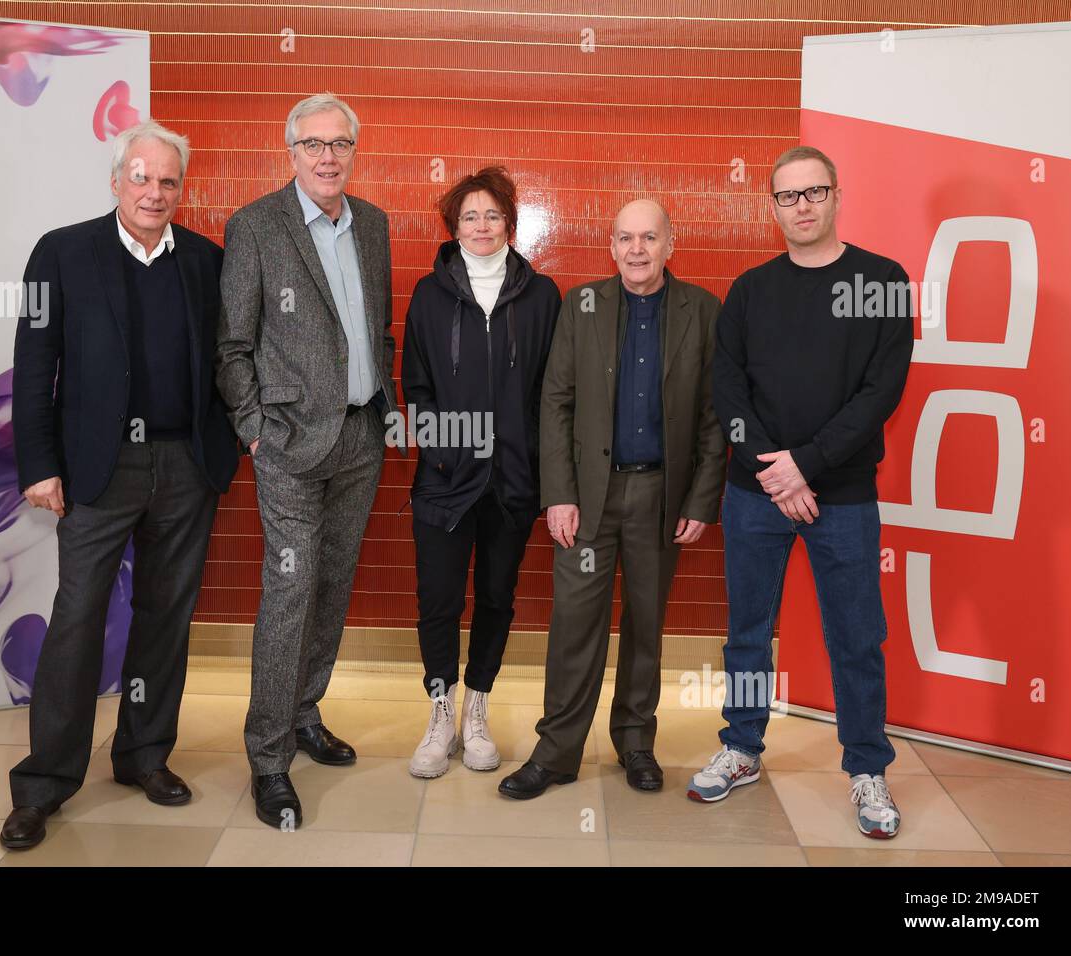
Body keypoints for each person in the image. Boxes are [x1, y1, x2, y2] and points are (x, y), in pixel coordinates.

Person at [4, 120, 239, 850]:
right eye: (141, 176)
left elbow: (228, 361)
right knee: (77, 619)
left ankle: (143, 756)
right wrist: (39, 465)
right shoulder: (62, 253)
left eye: (168, 180)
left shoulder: (207, 260)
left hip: (184, 467)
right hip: (95, 471)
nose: (154, 191)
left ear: (181, 188)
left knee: (166, 617)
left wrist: (223, 452)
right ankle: (44, 783)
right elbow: (33, 363)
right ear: (116, 181)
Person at [689, 146, 913, 840]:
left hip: (841, 495)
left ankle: (867, 767)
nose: (803, 206)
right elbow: (726, 387)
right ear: (773, 207)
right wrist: (772, 469)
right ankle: (743, 747)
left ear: (836, 195)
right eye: (789, 196)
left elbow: (882, 392)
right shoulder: (751, 289)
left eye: (815, 192)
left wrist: (807, 466)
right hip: (755, 494)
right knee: (748, 635)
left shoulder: (883, 280)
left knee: (856, 638)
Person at [498, 199, 727, 799]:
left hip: (661, 496)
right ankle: (556, 753)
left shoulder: (702, 311)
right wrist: (560, 496)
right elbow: (556, 402)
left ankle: (636, 743)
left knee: (647, 624)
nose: (636, 250)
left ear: (669, 245)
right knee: (575, 623)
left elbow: (712, 417)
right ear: (611, 246)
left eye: (649, 238)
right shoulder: (583, 304)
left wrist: (701, 501)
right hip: (589, 498)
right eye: (625, 238)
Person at [216, 93, 397, 829]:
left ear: (355, 152)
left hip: (359, 440)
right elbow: (232, 345)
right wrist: (255, 428)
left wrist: (383, 402)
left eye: (341, 144)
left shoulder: (375, 225)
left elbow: (375, 327)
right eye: (314, 144)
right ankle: (267, 756)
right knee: (290, 593)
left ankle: (304, 712)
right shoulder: (256, 227)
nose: (328, 157)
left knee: (332, 583)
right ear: (290, 152)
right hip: (288, 446)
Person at [400, 166, 561, 778]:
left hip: (514, 481)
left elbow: (553, 390)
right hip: (445, 480)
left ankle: (476, 710)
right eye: (470, 216)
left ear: (510, 222)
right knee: (438, 600)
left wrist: (537, 467)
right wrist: (445, 452)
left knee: (496, 598)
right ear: (454, 226)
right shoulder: (429, 294)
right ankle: (439, 715)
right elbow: (416, 386)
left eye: (493, 214)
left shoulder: (542, 296)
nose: (482, 225)